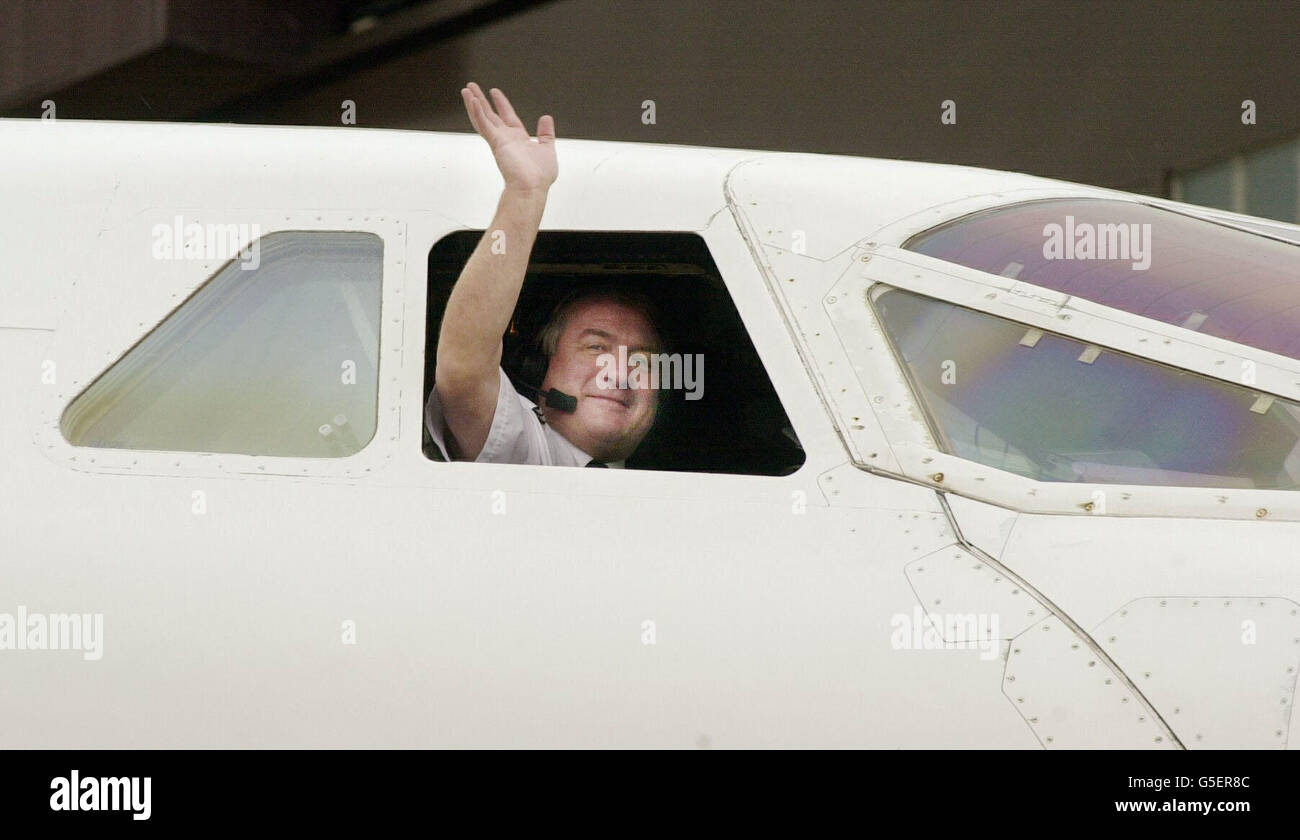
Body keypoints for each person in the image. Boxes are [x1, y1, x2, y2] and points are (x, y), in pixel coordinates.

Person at [426, 83, 664, 468]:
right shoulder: (524, 451)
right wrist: (525, 193)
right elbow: (464, 370)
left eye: (642, 362)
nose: (620, 374)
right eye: (596, 347)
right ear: (539, 368)